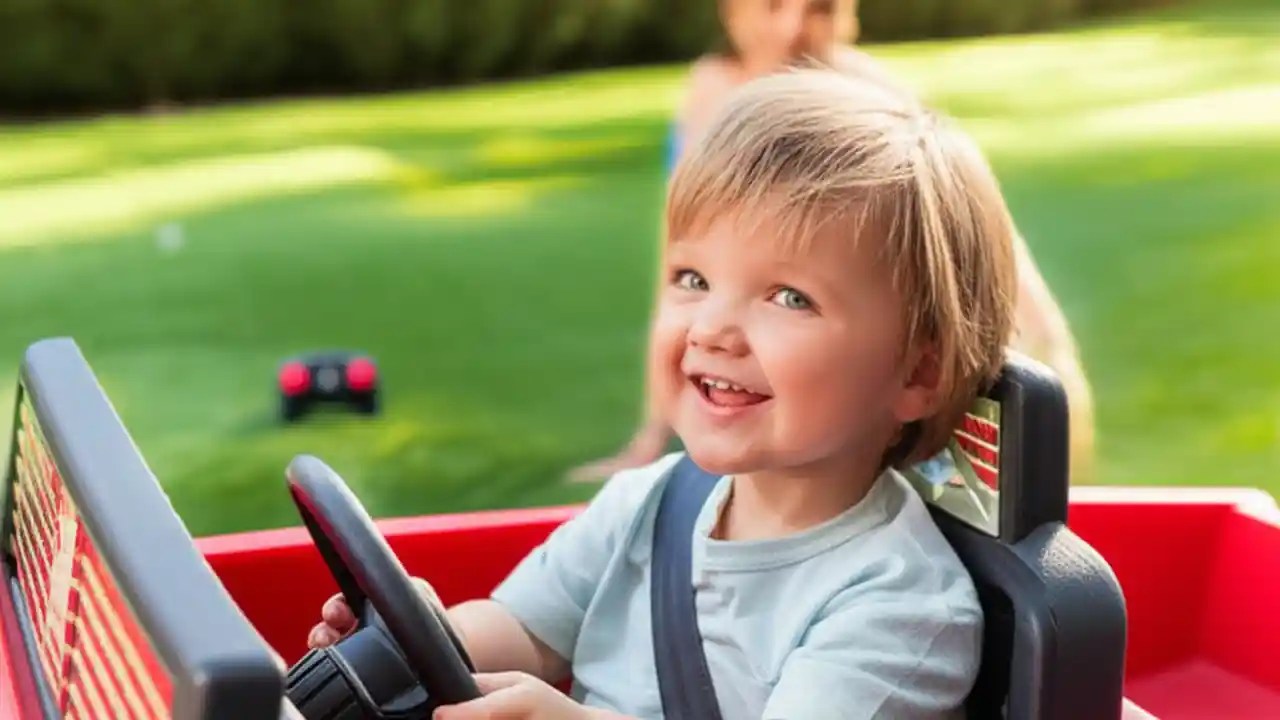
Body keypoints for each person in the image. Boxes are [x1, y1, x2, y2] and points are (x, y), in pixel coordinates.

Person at [310, 68, 1021, 719]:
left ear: (916, 376)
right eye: (693, 279)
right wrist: (425, 638)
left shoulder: (899, 604)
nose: (712, 327)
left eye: (788, 296)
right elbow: (525, 628)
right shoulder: (647, 505)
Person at [571, 0, 1096, 485]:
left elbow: (967, 219)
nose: (794, 26)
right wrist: (652, 430)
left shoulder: (867, 91)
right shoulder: (713, 91)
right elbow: (680, 258)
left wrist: (1048, 334)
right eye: (775, 5)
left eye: (817, 7)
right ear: (733, 11)